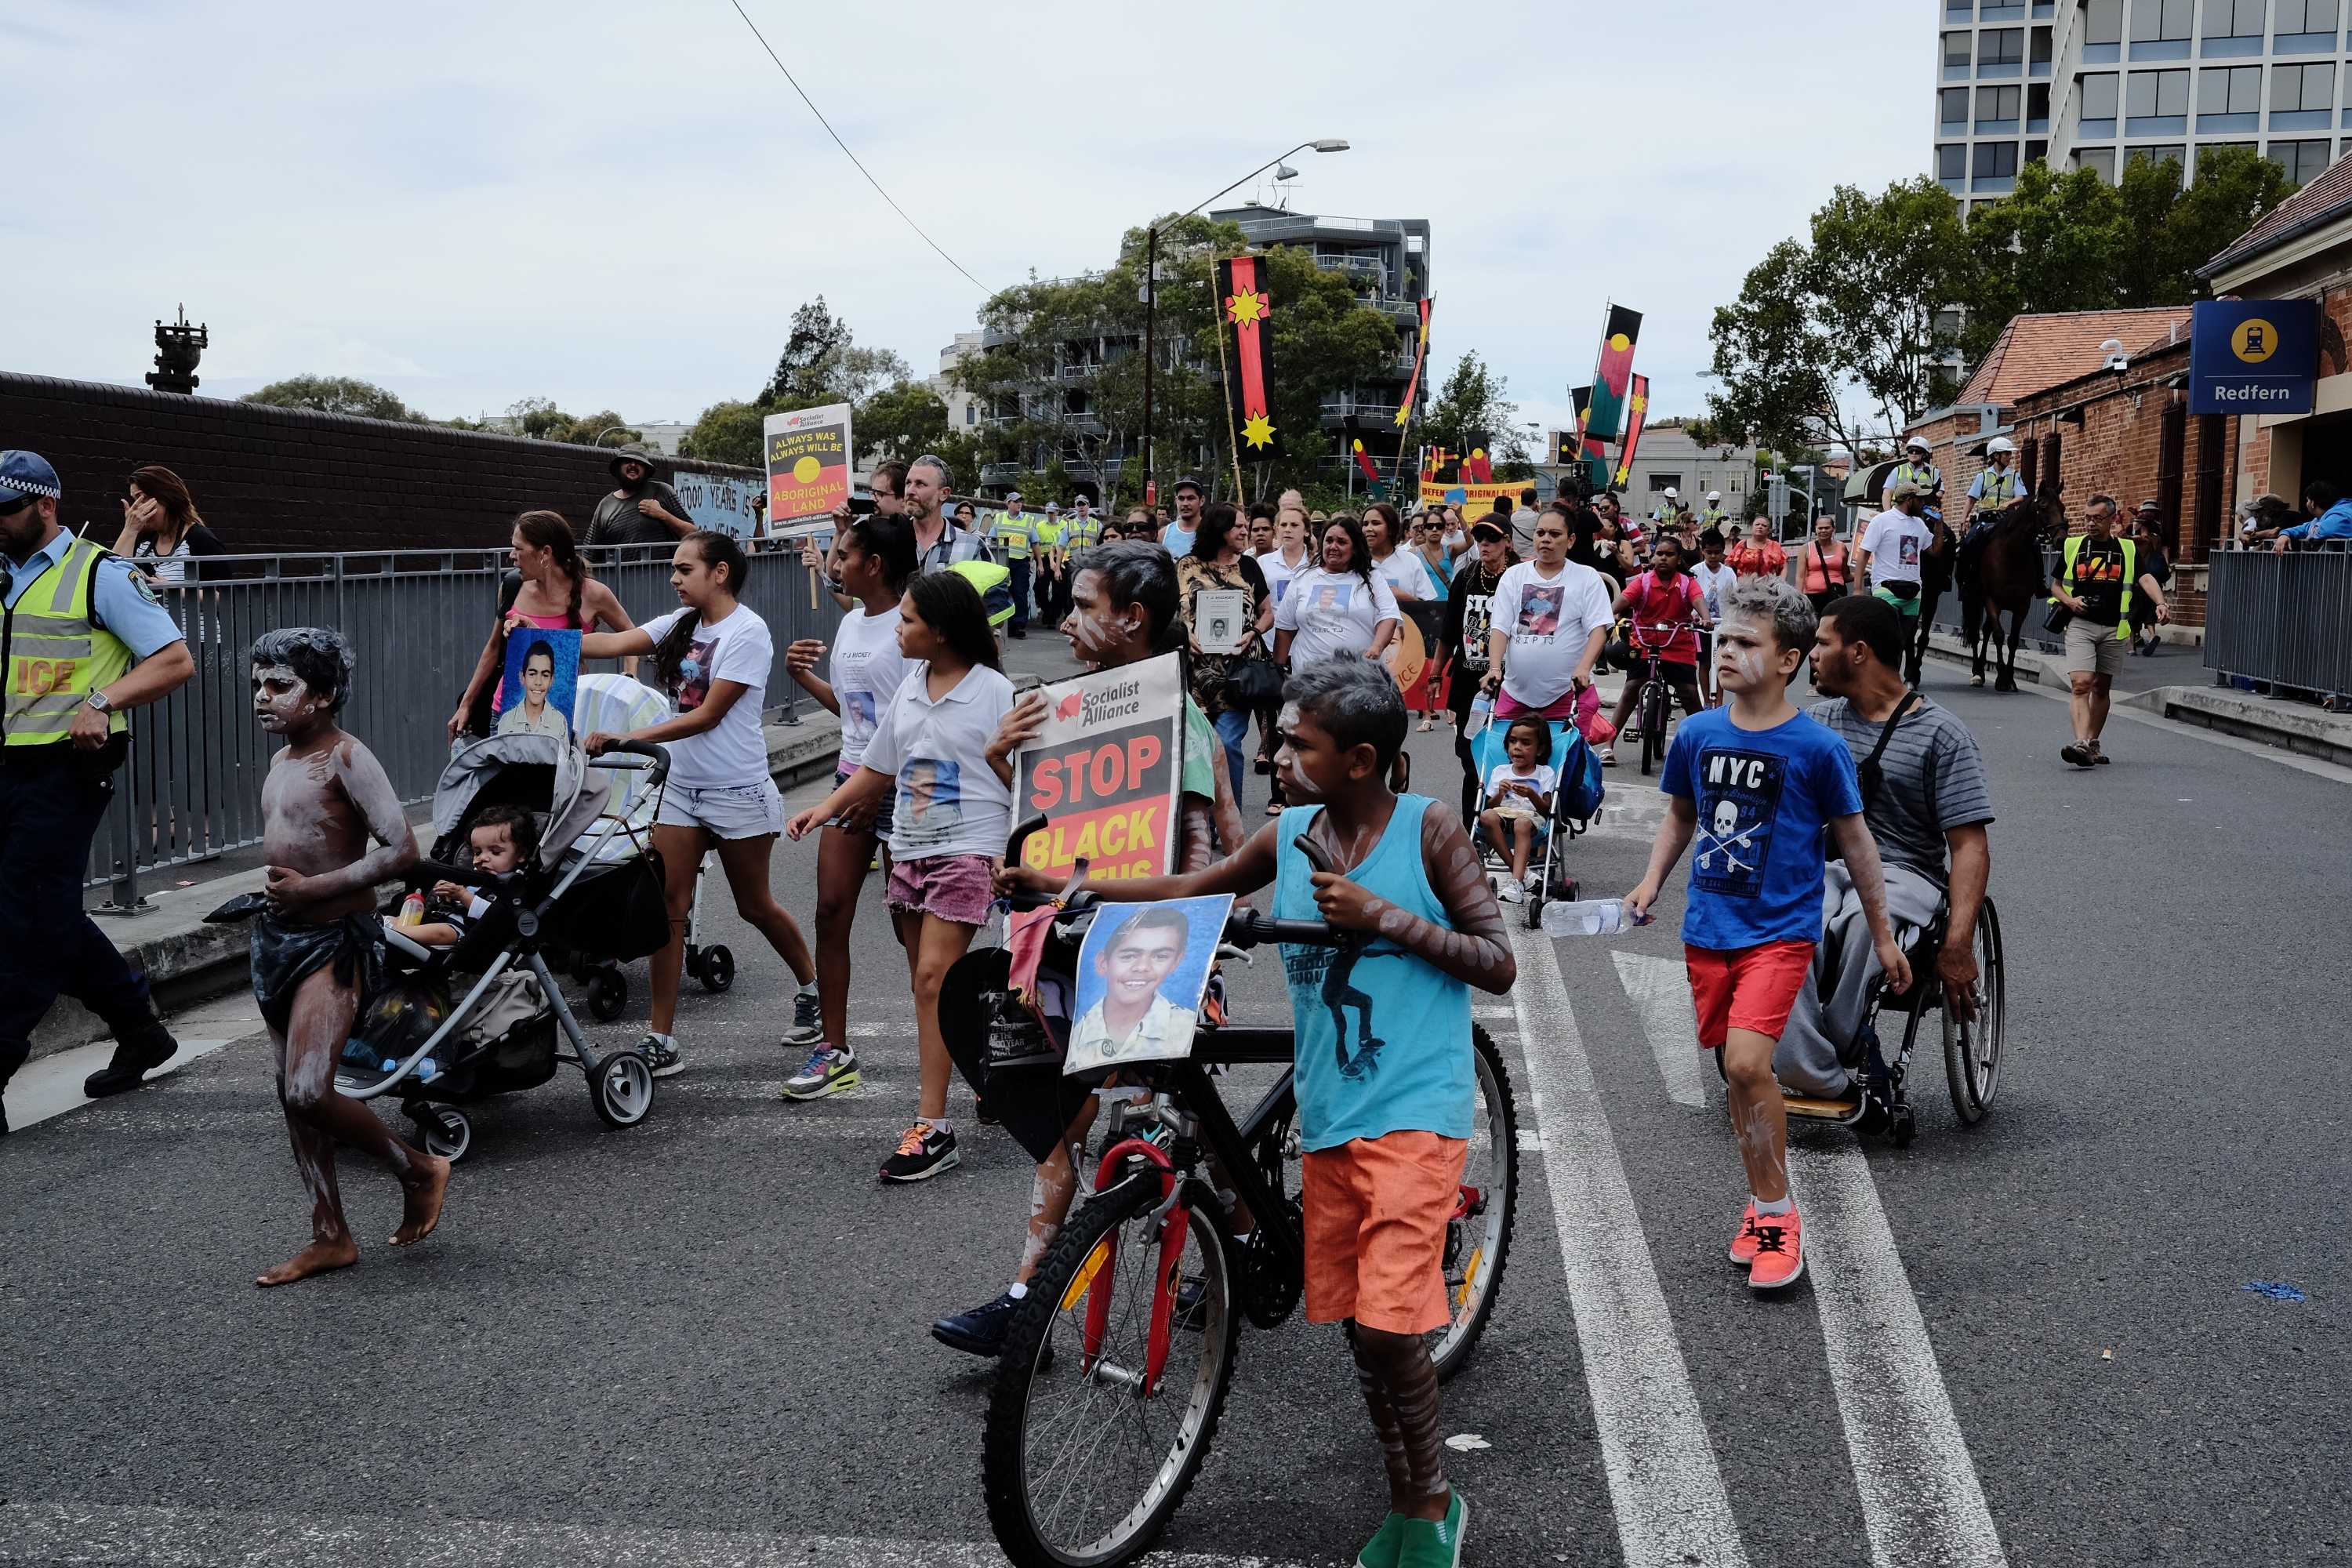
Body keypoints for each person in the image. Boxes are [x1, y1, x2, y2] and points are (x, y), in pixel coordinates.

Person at [1004, 659, 1512, 1567]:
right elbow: (1195, 887)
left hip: (1416, 1106)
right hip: (1333, 1110)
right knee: (1362, 1330)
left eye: (1297, 743)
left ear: (1360, 759)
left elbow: (1495, 959)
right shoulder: (1291, 834)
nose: (1275, 754)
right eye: (1278, 738)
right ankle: (1405, 1501)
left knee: (1390, 1327)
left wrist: (1383, 916)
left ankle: (1435, 1500)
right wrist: (1068, 889)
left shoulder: (1429, 830)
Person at [927, 539, 1241, 1357]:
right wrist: (1004, 758)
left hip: (1152, 948)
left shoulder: (1179, 723)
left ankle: (1244, 1233)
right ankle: (1026, 1303)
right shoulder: (1063, 712)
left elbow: (1204, 850)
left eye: (1082, 606)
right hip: (1068, 945)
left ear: (1132, 618)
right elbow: (1054, 829)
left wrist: (1188, 948)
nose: (1065, 622)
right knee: (1062, 1120)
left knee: (1187, 1117)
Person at [1625, 577, 1909, 1292]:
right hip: (1707, 930)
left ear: (1787, 660)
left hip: (1780, 933)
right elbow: (1682, 817)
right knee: (1736, 1073)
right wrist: (1652, 880)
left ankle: (1780, 1218)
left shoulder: (1817, 747)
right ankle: (1761, 1202)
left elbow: (1858, 844)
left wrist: (1882, 937)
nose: (1726, 652)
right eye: (1722, 639)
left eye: (1745, 643)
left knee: (1752, 1065)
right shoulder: (1697, 733)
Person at [785, 572, 1014, 1182]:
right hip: (910, 850)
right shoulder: (913, 685)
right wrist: (824, 809)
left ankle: (933, 1128)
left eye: (908, 621)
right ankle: (988, 1069)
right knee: (929, 986)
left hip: (968, 850)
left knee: (934, 978)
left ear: (941, 631)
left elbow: (1028, 776)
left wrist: (1011, 848)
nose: (898, 630)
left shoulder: (995, 691)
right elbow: (877, 766)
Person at [241, 626, 448, 1285]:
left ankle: (418, 1169)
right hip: (277, 940)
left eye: (280, 685)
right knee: (291, 1095)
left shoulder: (348, 757)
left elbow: (402, 850)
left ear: (324, 694)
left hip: (335, 944)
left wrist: (314, 889)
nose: (263, 697)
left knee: (311, 1090)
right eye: (257, 684)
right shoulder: (281, 762)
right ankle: (329, 1233)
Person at [0, 450, 195, 1131]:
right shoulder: (5, 576)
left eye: (7, 510)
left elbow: (175, 660)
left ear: (45, 505)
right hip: (8, 765)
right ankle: (140, 1029)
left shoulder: (100, 575)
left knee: (25, 919)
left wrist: (101, 700)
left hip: (67, 767)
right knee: (47, 912)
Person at [579, 532, 823, 1074]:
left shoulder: (748, 632)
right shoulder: (680, 623)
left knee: (753, 905)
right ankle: (660, 1037)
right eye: (674, 568)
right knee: (668, 907)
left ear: (720, 572)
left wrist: (627, 739)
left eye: (684, 568)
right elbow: (612, 644)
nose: (674, 578)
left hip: (737, 790)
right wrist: (539, 636)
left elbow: (707, 716)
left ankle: (812, 987)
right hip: (681, 790)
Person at [1777, 596, 1992, 1102]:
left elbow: (1969, 846)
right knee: (1794, 921)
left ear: (1858, 652)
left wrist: (1958, 943)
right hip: (1826, 867)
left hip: (1906, 874)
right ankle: (1806, 1061)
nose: (1811, 655)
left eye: (1822, 644)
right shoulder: (1817, 723)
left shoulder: (1943, 734)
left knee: (1864, 923)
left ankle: (1835, 1045)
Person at [779, 513, 920, 1102]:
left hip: (905, 785)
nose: (835, 564)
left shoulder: (913, 627)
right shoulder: (852, 623)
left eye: (845, 555)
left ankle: (951, 1049)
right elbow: (854, 710)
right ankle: (834, 1050)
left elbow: (919, 720)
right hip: (850, 777)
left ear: (875, 565)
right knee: (831, 910)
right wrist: (803, 678)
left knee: (912, 932)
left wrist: (879, 789)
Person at [449, 510, 635, 743]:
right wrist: (466, 705)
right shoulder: (511, 586)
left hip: (563, 717)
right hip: (506, 714)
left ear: (545, 553)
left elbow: (633, 637)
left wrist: (630, 677)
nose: (511, 556)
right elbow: (493, 648)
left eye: (518, 548)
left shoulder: (594, 593)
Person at [2049, 495, 2172, 768]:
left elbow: (2146, 578)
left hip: (2115, 627)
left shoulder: (2126, 549)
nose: (2091, 524)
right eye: (2087, 518)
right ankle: (2080, 742)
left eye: (2097, 518)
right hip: (2080, 623)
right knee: (2081, 683)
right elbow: (2055, 585)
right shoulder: (2073, 546)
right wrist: (2070, 601)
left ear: (2111, 519)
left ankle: (2092, 743)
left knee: (2101, 688)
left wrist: (2160, 603)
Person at [1480, 509, 1612, 752]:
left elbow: (1598, 629)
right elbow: (1500, 628)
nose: (1546, 539)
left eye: (1554, 534)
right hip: (1515, 693)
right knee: (1502, 761)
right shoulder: (1513, 576)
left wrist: (1584, 668)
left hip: (1568, 694)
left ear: (1570, 540)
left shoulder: (1587, 578)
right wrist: (1494, 668)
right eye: (1540, 533)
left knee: (1567, 765)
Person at [1180, 502, 1275, 807]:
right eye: (1239, 526)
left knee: (1227, 743)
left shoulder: (1249, 566)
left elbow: (1267, 612)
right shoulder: (1186, 566)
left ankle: (1228, 817)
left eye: (1246, 526)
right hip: (1195, 676)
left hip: (1238, 675)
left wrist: (1254, 632)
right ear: (1220, 530)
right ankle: (1201, 819)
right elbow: (1170, 612)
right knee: (1198, 748)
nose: (1246, 531)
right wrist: (1184, 633)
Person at [1606, 532, 1711, 757]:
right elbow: (1624, 600)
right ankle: (1608, 745)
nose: (1663, 558)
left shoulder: (1687, 582)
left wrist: (1706, 618)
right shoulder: (1643, 581)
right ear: (1653, 557)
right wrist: (1606, 614)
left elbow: (1698, 600)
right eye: (1659, 554)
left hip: (1678, 643)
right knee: (1631, 688)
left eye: (1669, 554)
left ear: (1679, 559)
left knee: (1689, 693)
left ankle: (1704, 745)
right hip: (1644, 642)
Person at [1440, 517, 1514, 822]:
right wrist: (1435, 674)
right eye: (1480, 538)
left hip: (1509, 683)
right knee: (1469, 755)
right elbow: (1449, 632)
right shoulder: (1466, 577)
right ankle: (1473, 827)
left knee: (1508, 753)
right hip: (1468, 682)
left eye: (1492, 539)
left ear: (1507, 542)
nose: (1484, 544)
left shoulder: (1518, 578)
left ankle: (1507, 820)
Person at [394, 805, 536, 952]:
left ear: (521, 854)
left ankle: (393, 934)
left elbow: (497, 917)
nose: (483, 858)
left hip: (459, 932)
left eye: (495, 852)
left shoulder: (514, 888)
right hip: (437, 918)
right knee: (397, 919)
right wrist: (446, 895)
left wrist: (462, 896)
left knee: (440, 932)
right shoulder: (473, 877)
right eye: (477, 852)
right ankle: (386, 927)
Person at [1068, 905, 1195, 1064]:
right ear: (1103, 963)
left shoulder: (1188, 1028)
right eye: (1129, 956)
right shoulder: (1075, 1030)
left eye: (1161, 956)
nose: (1142, 967)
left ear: (1176, 961)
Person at [1273, 514, 1400, 671]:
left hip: (1360, 677)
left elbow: (1388, 617)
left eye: (1341, 542)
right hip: (1308, 679)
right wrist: (1277, 671)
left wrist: (1376, 647)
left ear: (1355, 547)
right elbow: (1284, 629)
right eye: (1329, 541)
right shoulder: (1303, 578)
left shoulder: (1372, 578)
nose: (1333, 546)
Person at [1479, 716, 1556, 903]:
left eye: (1525, 743)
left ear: (1540, 750)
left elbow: (1546, 809)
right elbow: (1490, 805)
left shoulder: (1544, 773)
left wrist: (1531, 794)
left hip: (1531, 819)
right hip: (1503, 817)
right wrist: (1500, 793)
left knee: (1522, 823)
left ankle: (1516, 881)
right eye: (1513, 742)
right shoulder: (1500, 771)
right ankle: (1524, 874)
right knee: (1486, 816)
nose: (1517, 747)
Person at [113, 465, 225, 586]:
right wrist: (129, 531)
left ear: (166, 497)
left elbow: (225, 594)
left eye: (143, 498)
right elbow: (112, 578)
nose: (138, 508)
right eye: (135, 499)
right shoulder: (142, 538)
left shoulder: (201, 539)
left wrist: (173, 590)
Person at [1854, 482, 1933, 641]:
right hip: (1886, 589)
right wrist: (1857, 589)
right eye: (1920, 499)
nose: (1923, 503)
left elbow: (1934, 551)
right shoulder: (1882, 520)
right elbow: (1863, 554)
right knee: (1885, 639)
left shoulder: (1920, 524)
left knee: (1901, 643)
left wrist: (1938, 524)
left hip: (1913, 592)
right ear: (1909, 500)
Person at [582, 445, 696, 549]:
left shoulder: (662, 491)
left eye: (639, 462)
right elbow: (589, 552)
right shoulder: (606, 505)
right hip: (619, 566)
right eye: (627, 461)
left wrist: (663, 514)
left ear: (646, 470)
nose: (633, 465)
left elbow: (693, 534)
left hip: (660, 566)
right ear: (618, 467)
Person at [902, 453, 992, 576]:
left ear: (944, 493)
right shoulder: (889, 540)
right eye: (908, 483)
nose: (910, 491)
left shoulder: (972, 547)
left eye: (920, 484)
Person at [1956, 435, 2024, 562]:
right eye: (2006, 454)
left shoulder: (2015, 476)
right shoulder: (1982, 476)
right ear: (1996, 456)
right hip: (1985, 520)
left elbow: (2021, 497)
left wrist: (2009, 503)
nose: (2010, 457)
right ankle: (1964, 573)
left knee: (2032, 543)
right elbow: (1971, 500)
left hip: (2007, 519)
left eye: (2010, 454)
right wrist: (1962, 520)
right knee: (1968, 542)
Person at [492, 641, 570, 739]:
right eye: (532, 674)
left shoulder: (559, 722)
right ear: (522, 677)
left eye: (545, 675)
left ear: (551, 680)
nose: (538, 682)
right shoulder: (507, 720)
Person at [2126, 502, 2173, 655]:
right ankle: (2152, 635)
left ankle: (2131, 646)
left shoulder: (2141, 539)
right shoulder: (2157, 536)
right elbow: (2165, 550)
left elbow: (2123, 538)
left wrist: (2122, 522)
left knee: (2132, 612)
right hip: (2154, 578)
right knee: (2149, 610)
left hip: (2138, 579)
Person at [2255, 476, 2352, 548]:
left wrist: (2309, 534)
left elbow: (2327, 530)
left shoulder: (2342, 513)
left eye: (2307, 500)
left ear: (2312, 503)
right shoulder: (2322, 519)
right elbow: (2305, 528)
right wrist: (2285, 534)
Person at [990, 491, 1036, 637]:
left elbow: (1035, 542)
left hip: (1021, 562)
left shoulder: (1028, 520)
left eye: (1020, 501)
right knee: (1004, 592)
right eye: (1016, 501)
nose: (1019, 504)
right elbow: (991, 539)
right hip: (1002, 562)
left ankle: (1020, 624)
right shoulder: (999, 518)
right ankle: (1007, 625)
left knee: (1020, 592)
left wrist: (1040, 564)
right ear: (1008, 503)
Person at [1792, 514, 1853, 616]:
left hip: (1836, 595)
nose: (1823, 531)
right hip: (1813, 596)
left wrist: (1865, 571)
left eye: (1827, 528)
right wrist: (1799, 598)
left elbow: (1846, 575)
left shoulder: (1842, 547)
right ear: (1815, 529)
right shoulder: (1806, 548)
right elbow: (1800, 577)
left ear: (1833, 529)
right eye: (1820, 528)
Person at [1726, 516, 1787, 580]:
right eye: (1757, 524)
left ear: (1768, 531)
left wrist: (1781, 582)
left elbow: (1783, 567)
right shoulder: (1742, 545)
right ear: (1752, 528)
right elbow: (1728, 565)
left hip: (1770, 584)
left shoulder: (1775, 546)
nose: (1760, 527)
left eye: (1764, 526)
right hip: (1745, 584)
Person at [1160, 474, 1206, 556]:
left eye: (1191, 498)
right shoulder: (1163, 534)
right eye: (1181, 498)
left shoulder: (1214, 532)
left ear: (1202, 501)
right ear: (1176, 501)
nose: (1185, 503)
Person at [1889, 435, 1944, 502]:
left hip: (1924, 507)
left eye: (1918, 451)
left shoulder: (1934, 471)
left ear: (1924, 454)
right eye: (1911, 451)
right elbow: (1887, 494)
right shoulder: (1898, 470)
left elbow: (1940, 493)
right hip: (1901, 507)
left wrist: (1930, 498)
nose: (1914, 453)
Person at [1509, 485, 1541, 557]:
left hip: (1517, 557)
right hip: (1532, 556)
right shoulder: (1537, 517)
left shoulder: (1513, 517)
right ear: (1535, 501)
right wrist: (1538, 511)